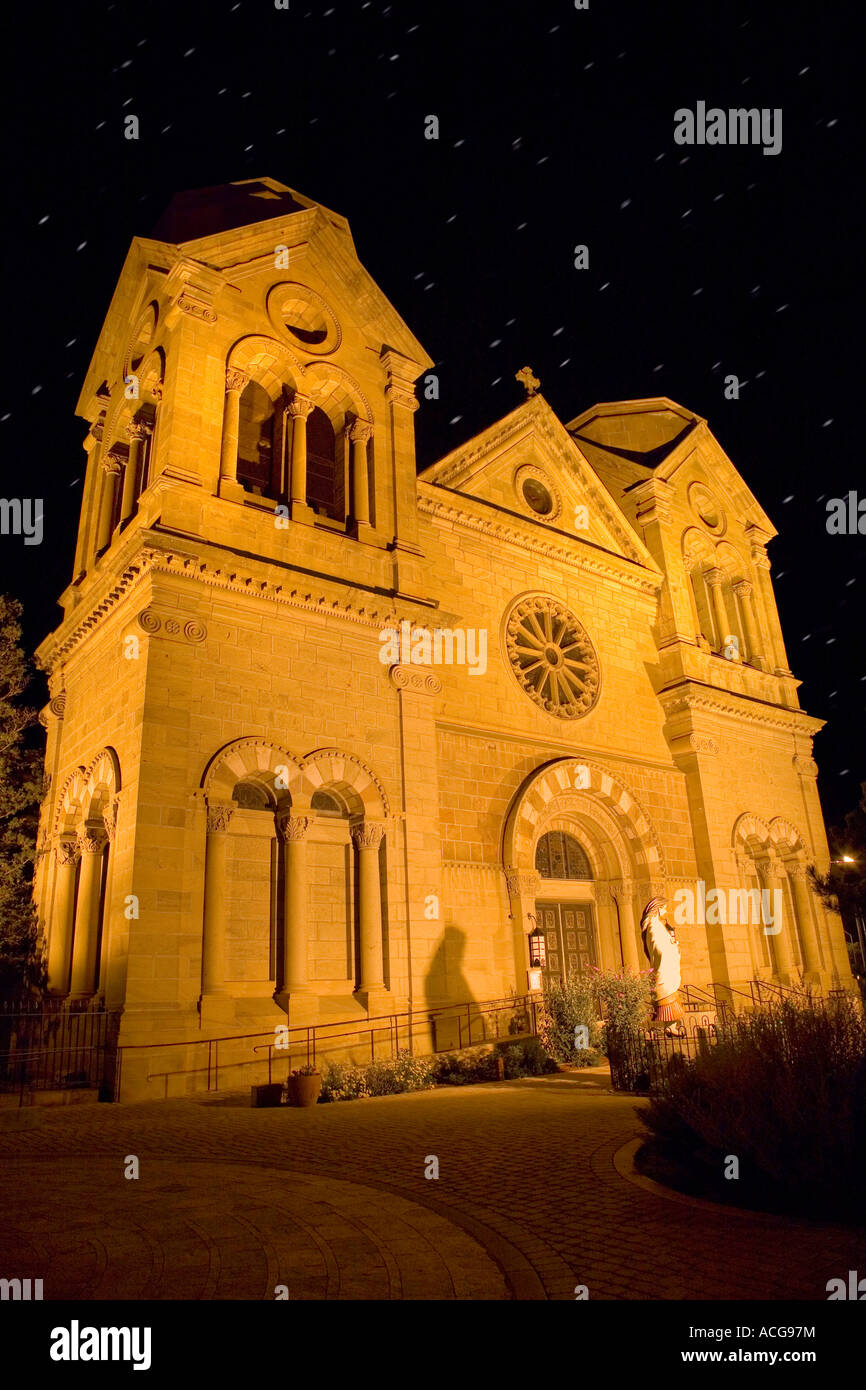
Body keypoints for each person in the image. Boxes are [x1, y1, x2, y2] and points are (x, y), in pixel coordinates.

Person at [640, 896, 686, 1037]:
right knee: (668, 1000)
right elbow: (659, 948)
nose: (666, 911)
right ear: (658, 909)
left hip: (666, 968)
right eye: (664, 908)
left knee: (670, 1001)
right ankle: (670, 1028)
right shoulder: (654, 927)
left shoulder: (657, 925)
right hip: (663, 969)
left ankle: (670, 1028)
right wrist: (672, 947)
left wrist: (673, 944)